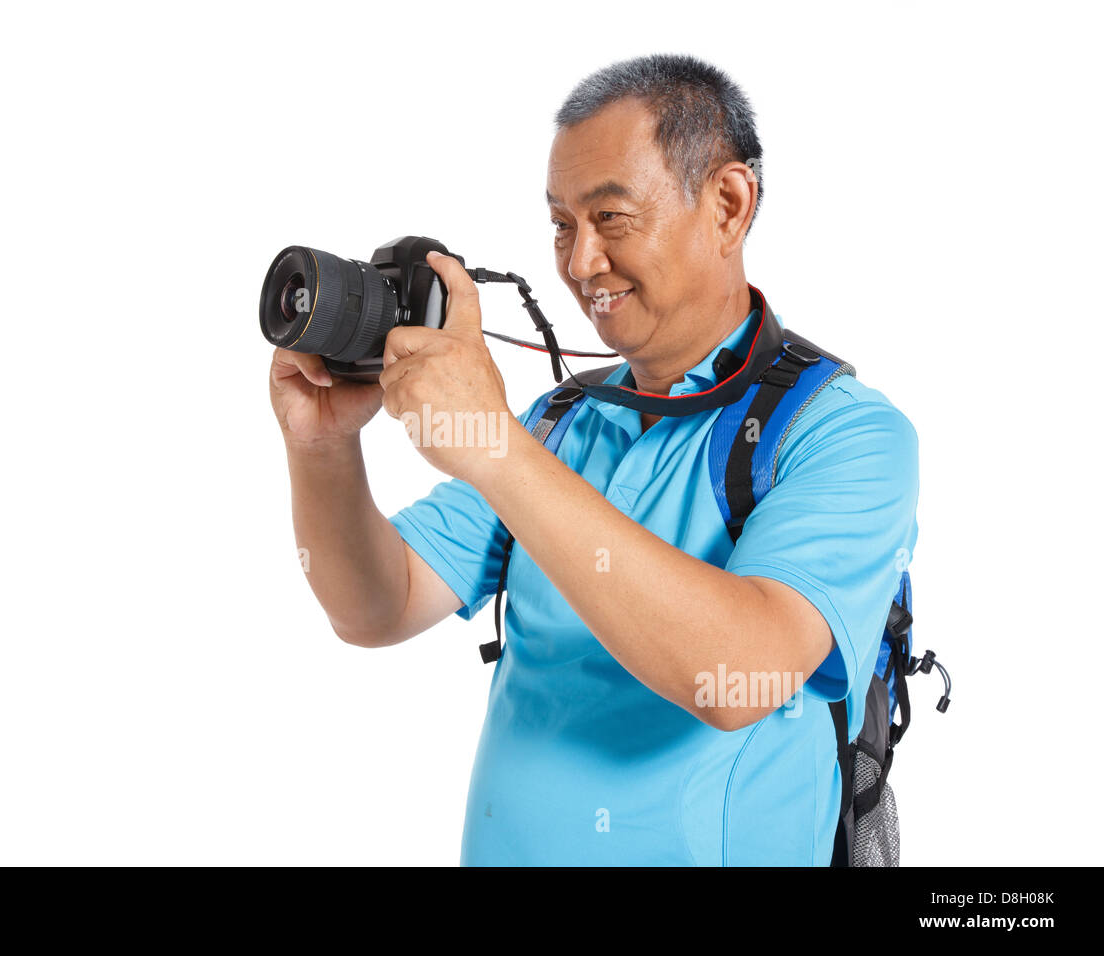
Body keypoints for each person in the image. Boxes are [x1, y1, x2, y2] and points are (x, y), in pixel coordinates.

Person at [268, 53, 919, 865]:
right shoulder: (560, 424)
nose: (579, 264)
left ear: (728, 203)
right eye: (560, 224)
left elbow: (732, 674)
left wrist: (494, 446)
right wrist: (322, 444)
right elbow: (375, 606)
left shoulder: (844, 433)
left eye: (610, 219)